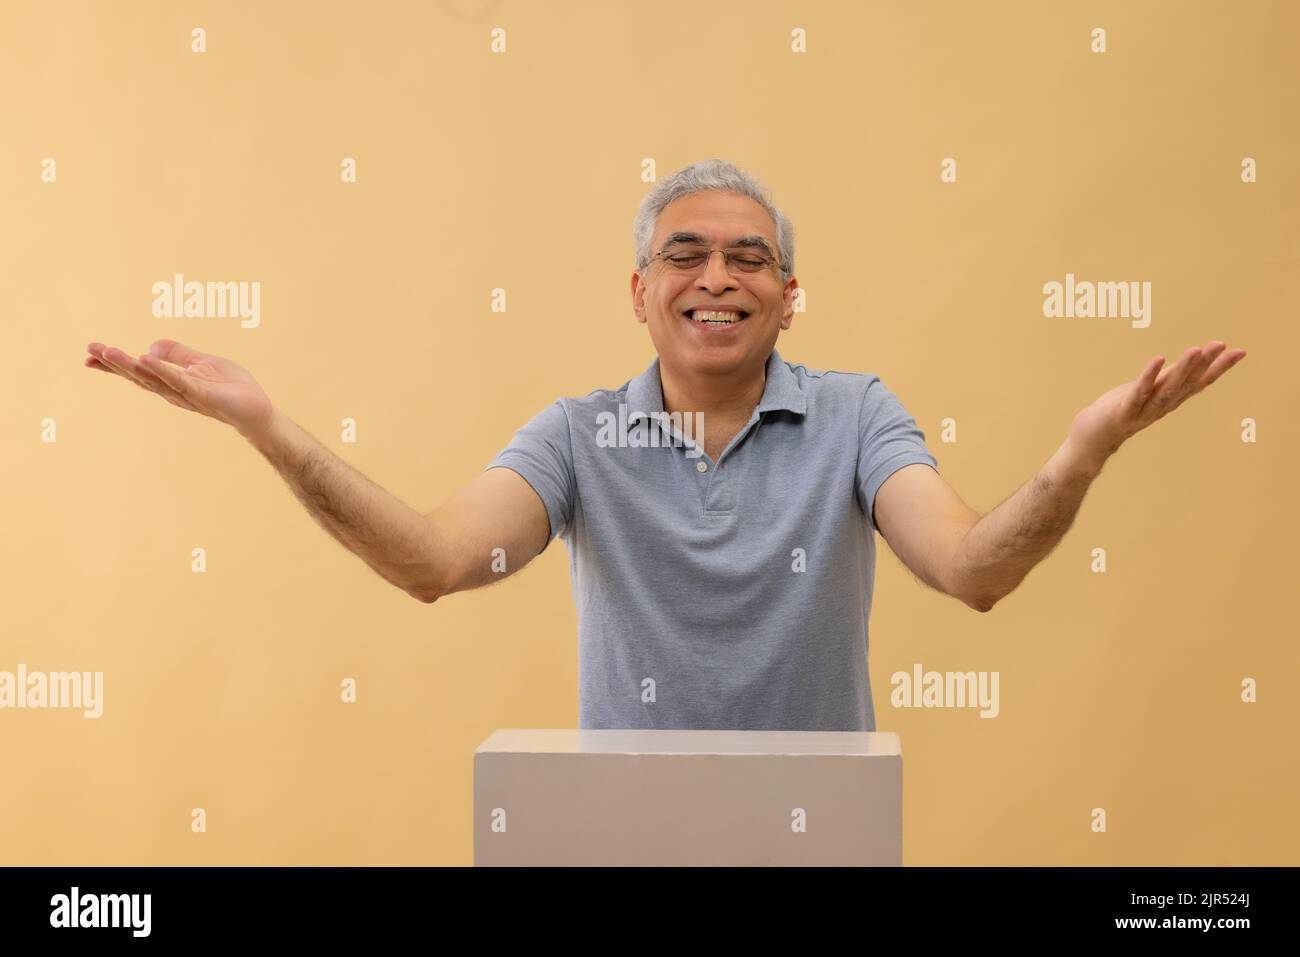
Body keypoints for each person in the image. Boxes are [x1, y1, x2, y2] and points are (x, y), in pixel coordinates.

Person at [84, 158, 1246, 732]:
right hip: (619, 843)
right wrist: (271, 431)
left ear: (791, 295)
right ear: (639, 290)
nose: (717, 278)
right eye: (685, 255)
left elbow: (973, 572)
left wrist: (1084, 450)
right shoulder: (579, 437)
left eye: (749, 259)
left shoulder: (855, 416)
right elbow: (434, 563)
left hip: (819, 844)